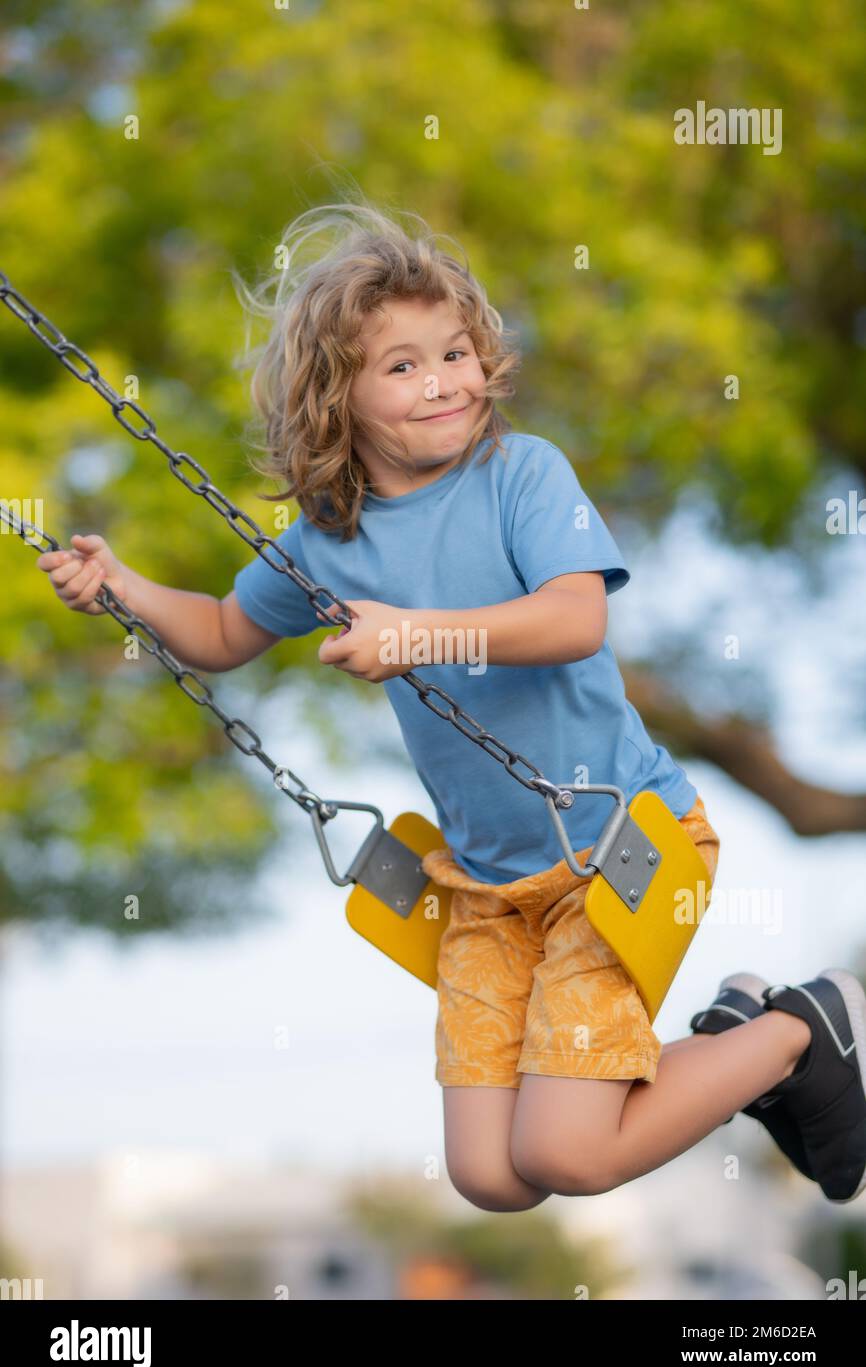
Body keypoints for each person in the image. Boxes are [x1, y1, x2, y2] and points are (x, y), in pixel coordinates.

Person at [37, 199, 866, 1208]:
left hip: (623, 848)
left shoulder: (519, 475)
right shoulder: (319, 541)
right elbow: (219, 633)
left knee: (567, 1151)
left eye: (456, 353)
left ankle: (798, 1027)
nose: (442, 381)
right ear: (334, 398)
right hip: (482, 887)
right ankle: (738, 1040)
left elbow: (573, 620)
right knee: (488, 1174)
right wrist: (119, 583)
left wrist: (413, 633)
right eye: (402, 365)